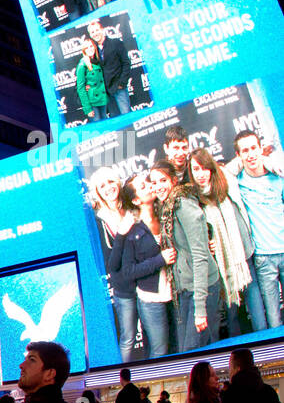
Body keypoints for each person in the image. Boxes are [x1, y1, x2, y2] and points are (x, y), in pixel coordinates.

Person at [189, 148, 267, 337]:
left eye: (203, 168)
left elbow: (241, 160)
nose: (200, 174)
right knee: (232, 313)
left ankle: (266, 344)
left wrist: (265, 154)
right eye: (195, 169)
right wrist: (209, 243)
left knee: (256, 306)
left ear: (211, 168)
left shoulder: (226, 179)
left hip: (243, 254)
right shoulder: (193, 198)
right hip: (222, 264)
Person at [153, 160, 219, 352]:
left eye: (163, 180)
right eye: (154, 182)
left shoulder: (183, 205)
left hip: (203, 288)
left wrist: (200, 309)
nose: (158, 187)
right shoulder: (166, 208)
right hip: (183, 291)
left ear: (174, 181)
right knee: (185, 352)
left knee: (194, 351)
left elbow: (200, 256)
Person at [225, 130, 284, 328]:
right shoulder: (237, 182)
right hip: (263, 258)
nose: (250, 154)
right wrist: (241, 163)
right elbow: (221, 176)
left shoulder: (278, 176)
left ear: (261, 149)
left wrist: (268, 161)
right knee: (274, 320)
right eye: (245, 151)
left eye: (253, 148)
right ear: (238, 155)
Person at [114, 173, 176, 360]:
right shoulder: (132, 230)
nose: (150, 186)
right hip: (151, 299)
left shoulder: (166, 212)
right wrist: (160, 260)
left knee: (179, 347)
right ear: (136, 200)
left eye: (148, 182)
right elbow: (128, 271)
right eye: (143, 186)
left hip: (176, 293)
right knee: (160, 351)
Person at [88, 19, 131, 118]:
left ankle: (131, 135)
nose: (95, 34)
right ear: (90, 35)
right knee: (116, 121)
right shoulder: (93, 51)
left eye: (97, 30)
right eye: (92, 32)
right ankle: (123, 135)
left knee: (127, 117)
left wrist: (121, 83)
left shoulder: (115, 43)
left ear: (102, 30)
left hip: (119, 89)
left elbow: (126, 63)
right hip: (106, 93)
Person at [76, 39, 110, 123]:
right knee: (98, 128)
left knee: (106, 125)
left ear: (94, 47)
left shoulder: (98, 61)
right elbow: (80, 88)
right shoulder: (82, 65)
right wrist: (87, 109)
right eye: (87, 47)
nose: (90, 49)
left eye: (91, 46)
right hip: (92, 102)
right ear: (84, 51)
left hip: (102, 100)